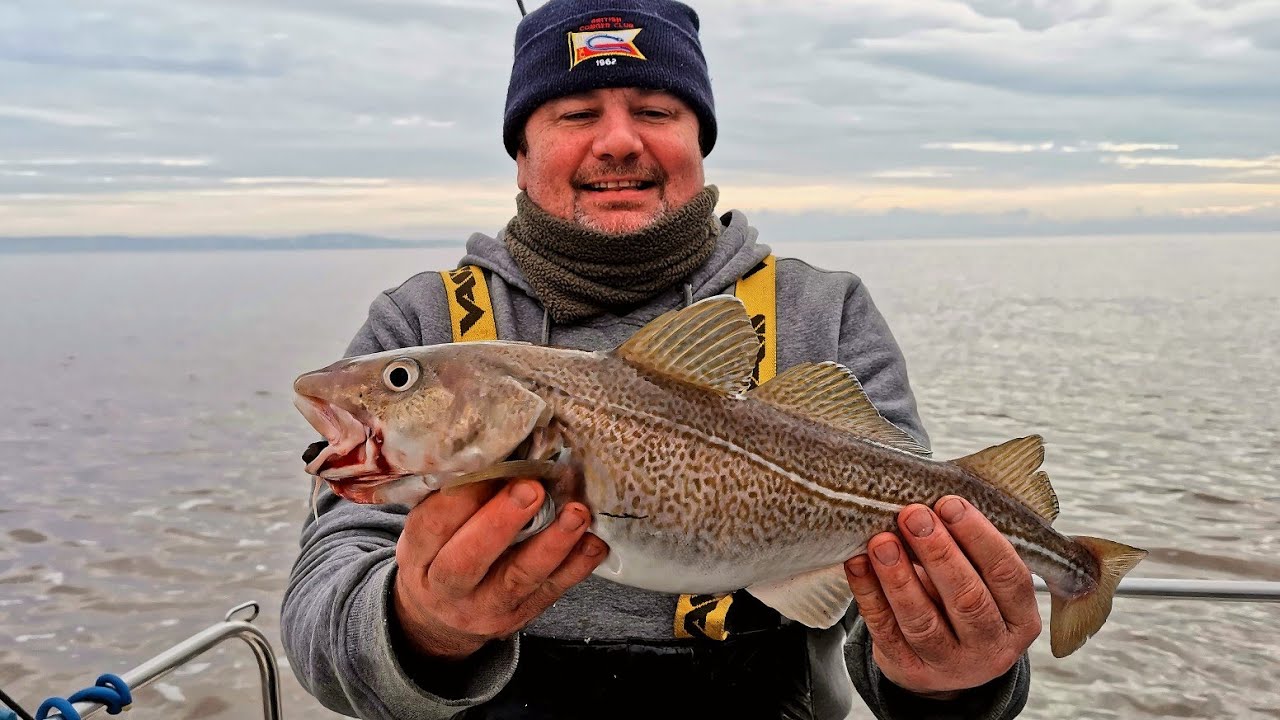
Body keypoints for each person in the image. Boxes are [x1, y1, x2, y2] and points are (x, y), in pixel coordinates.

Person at [281, 1, 1040, 717]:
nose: (618, 141)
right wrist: (422, 627)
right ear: (520, 152)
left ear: (698, 140)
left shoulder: (823, 311)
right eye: (577, 114)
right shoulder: (421, 321)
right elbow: (323, 606)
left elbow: (889, 606)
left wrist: (951, 682)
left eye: (655, 111)